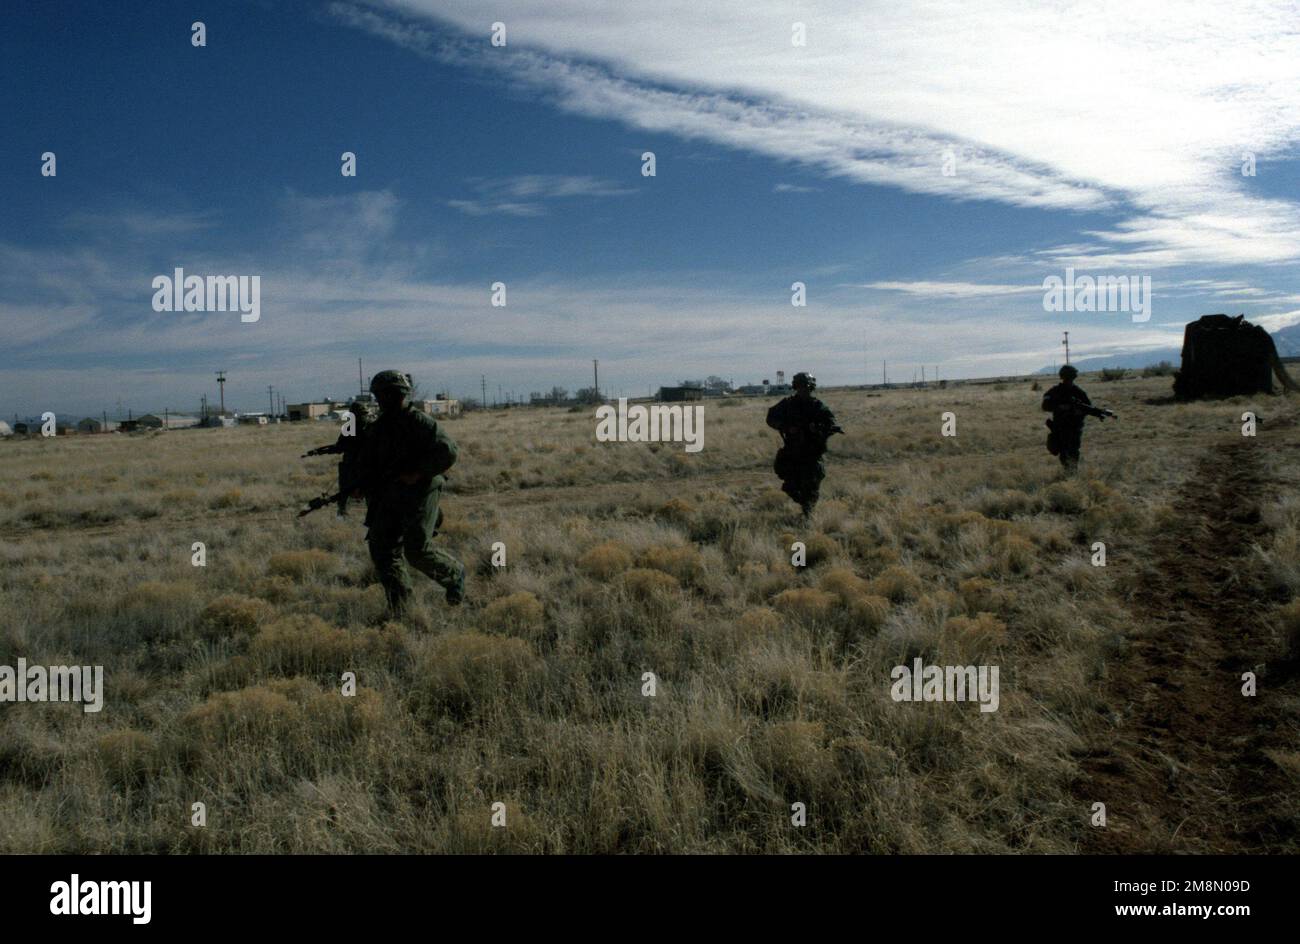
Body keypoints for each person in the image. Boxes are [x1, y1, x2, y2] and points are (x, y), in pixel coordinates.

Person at [354, 370, 465, 618]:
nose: (387, 399)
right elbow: (367, 461)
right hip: (387, 495)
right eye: (382, 395)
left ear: (404, 395)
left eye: (392, 394)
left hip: (421, 491)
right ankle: (402, 607)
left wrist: (418, 472)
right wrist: (360, 485)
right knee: (382, 549)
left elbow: (448, 452)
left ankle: (454, 575)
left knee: (416, 550)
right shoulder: (378, 429)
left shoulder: (421, 423)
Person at [765, 372, 843, 517]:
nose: (804, 390)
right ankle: (805, 504)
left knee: (812, 483)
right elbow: (771, 417)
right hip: (793, 451)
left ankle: (808, 513)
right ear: (796, 387)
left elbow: (831, 423)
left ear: (811, 388)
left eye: (806, 387)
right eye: (801, 387)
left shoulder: (817, 406)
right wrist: (786, 427)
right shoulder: (787, 404)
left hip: (812, 452)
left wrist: (819, 429)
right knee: (789, 483)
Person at [1041, 364, 1113, 474]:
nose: (1069, 379)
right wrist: (1060, 407)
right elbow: (1045, 406)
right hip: (1061, 427)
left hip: (1074, 427)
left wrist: (1080, 412)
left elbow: (1088, 408)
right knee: (1063, 451)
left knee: (1072, 451)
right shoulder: (1055, 391)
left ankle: (1071, 473)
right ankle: (1069, 473)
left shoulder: (1078, 392)